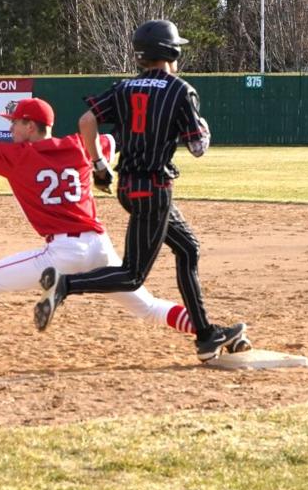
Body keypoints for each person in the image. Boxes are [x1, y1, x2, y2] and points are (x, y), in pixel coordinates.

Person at [0, 94, 216, 370]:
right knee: (146, 305)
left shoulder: (17, 155)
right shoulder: (81, 146)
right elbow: (126, 135)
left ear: (31, 127)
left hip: (62, 255)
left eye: (15, 122)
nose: (10, 126)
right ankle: (209, 331)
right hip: (100, 247)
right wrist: (175, 124)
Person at [33, 19, 249, 362]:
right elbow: (198, 148)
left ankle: (206, 335)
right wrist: (204, 129)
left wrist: (99, 165)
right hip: (155, 189)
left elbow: (86, 121)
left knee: (188, 249)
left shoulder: (124, 88)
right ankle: (65, 286)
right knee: (132, 274)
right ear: (170, 51)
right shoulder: (181, 90)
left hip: (129, 187)